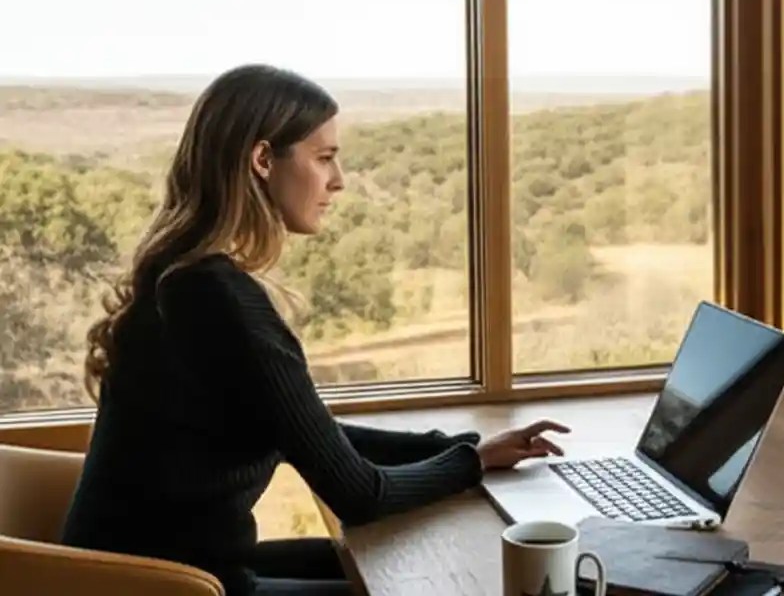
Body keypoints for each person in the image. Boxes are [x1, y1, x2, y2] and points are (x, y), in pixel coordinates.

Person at [61, 64, 569, 595]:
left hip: (156, 569)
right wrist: (472, 462)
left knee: (381, 562)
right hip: (164, 586)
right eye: (324, 157)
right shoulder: (215, 298)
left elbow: (307, 438)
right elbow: (359, 494)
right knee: (428, 583)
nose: (339, 180)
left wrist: (461, 447)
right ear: (262, 159)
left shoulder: (180, 277)